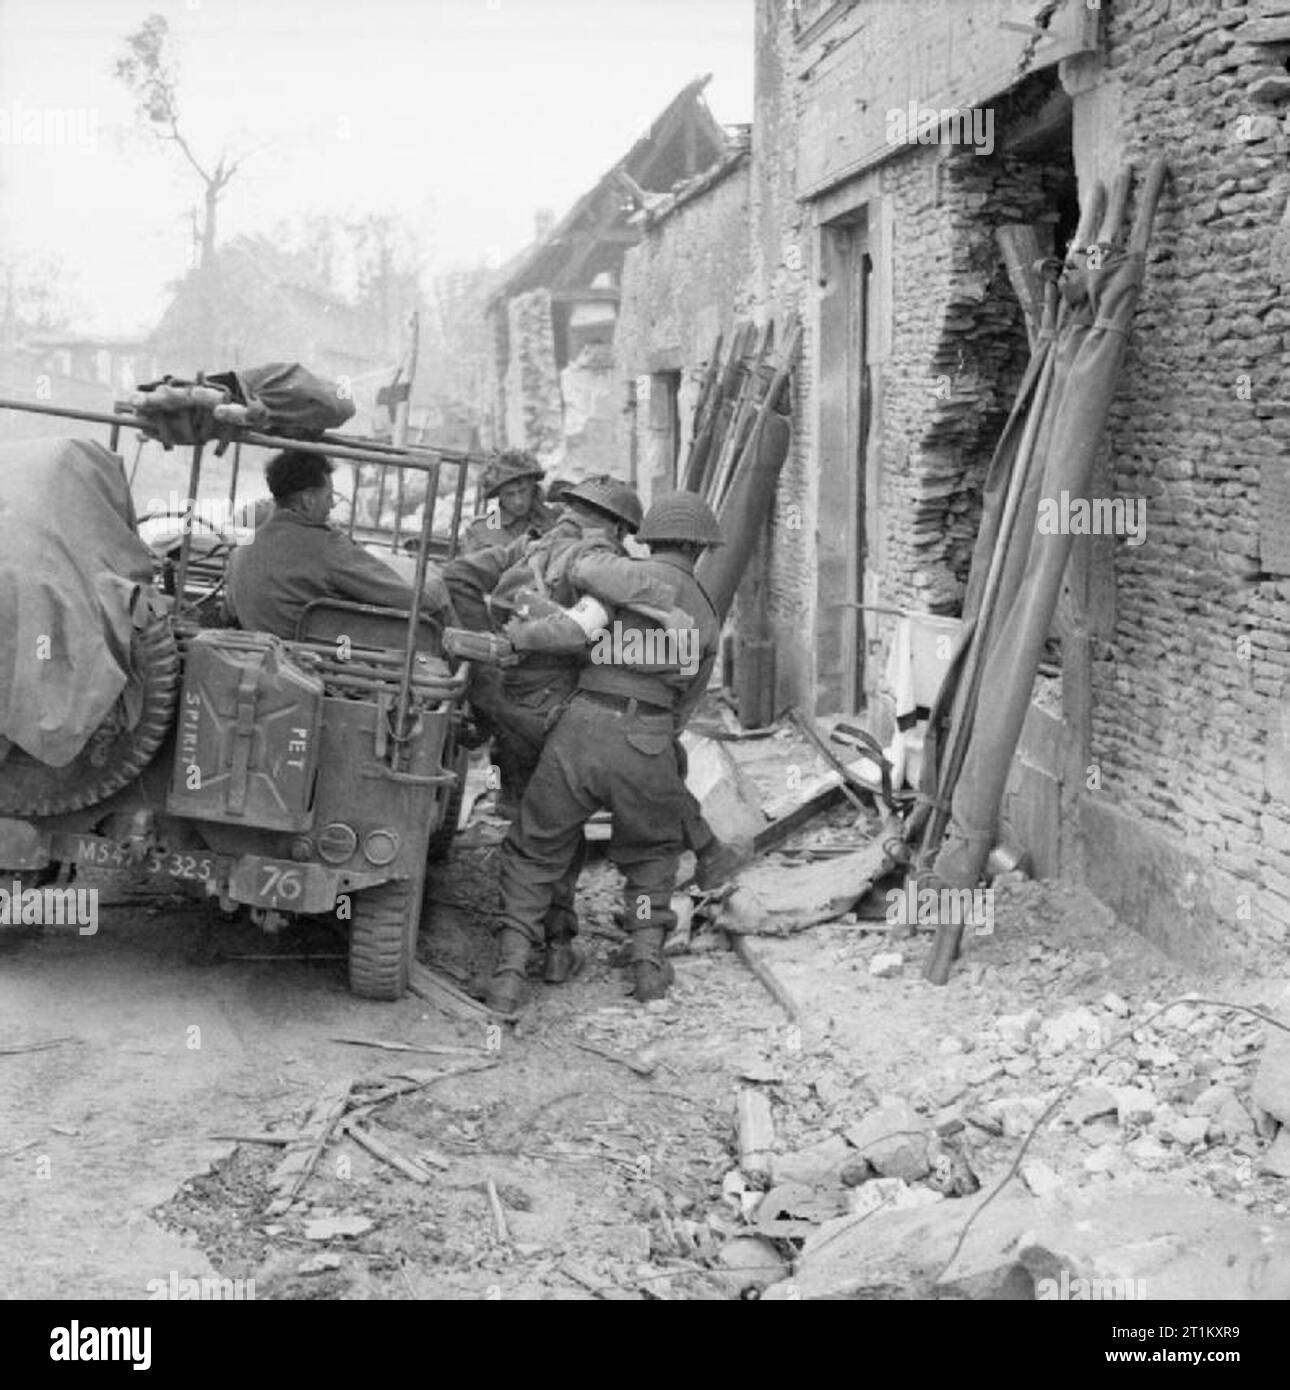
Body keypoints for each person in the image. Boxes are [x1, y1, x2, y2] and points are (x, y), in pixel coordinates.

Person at [484, 491, 726, 1015]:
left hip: (581, 725)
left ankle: (510, 973)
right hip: (651, 735)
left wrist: (523, 637)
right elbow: (689, 701)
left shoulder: (616, 580)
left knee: (536, 849)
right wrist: (654, 738)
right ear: (699, 548)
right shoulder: (706, 612)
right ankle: (645, 965)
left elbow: (575, 629)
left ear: (650, 539)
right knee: (651, 856)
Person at [227, 449, 452, 639]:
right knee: (436, 595)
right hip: (326, 668)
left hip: (264, 659)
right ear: (307, 500)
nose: (333, 505)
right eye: (329, 497)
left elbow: (229, 613)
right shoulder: (326, 546)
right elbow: (413, 601)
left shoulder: (242, 551)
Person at [459, 450, 557, 554]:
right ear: (499, 495)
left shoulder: (552, 524)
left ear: (533, 487)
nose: (518, 501)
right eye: (509, 494)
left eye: (523, 491)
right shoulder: (481, 530)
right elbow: (467, 568)